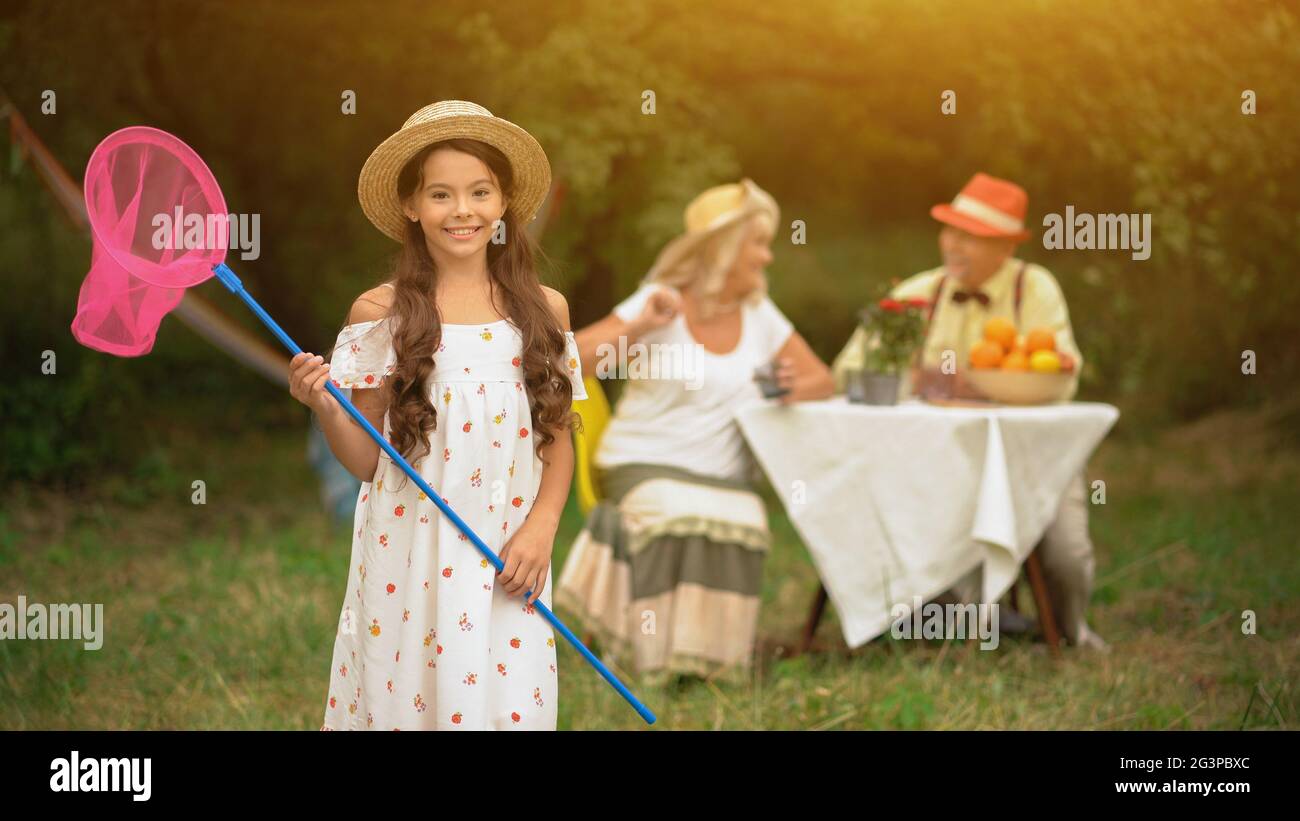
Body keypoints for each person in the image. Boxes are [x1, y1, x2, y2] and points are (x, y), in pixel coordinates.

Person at [289, 101, 586, 730]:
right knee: (412, 695)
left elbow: (558, 437)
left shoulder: (543, 310)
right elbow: (368, 461)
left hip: (511, 549)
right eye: (442, 194)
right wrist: (324, 407)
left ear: (503, 201)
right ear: (411, 204)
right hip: (411, 550)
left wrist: (543, 528)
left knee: (509, 703)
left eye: (480, 192)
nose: (463, 211)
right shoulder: (380, 313)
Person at [557, 179, 835, 684]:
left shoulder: (759, 315)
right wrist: (639, 326)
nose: (766, 258)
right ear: (722, 246)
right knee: (679, 510)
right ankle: (652, 658)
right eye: (756, 243)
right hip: (641, 463)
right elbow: (569, 362)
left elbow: (824, 379)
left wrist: (793, 385)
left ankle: (707, 661)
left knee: (742, 514)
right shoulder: (661, 301)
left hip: (723, 475)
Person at [831, 172, 1105, 649]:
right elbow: (848, 369)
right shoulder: (919, 292)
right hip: (937, 461)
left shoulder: (1034, 289)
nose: (952, 245)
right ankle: (941, 627)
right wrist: (912, 377)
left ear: (1004, 248)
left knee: (1066, 551)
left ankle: (1065, 631)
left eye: (969, 237)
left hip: (1032, 456)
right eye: (949, 231)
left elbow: (1063, 376)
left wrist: (974, 381)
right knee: (906, 520)